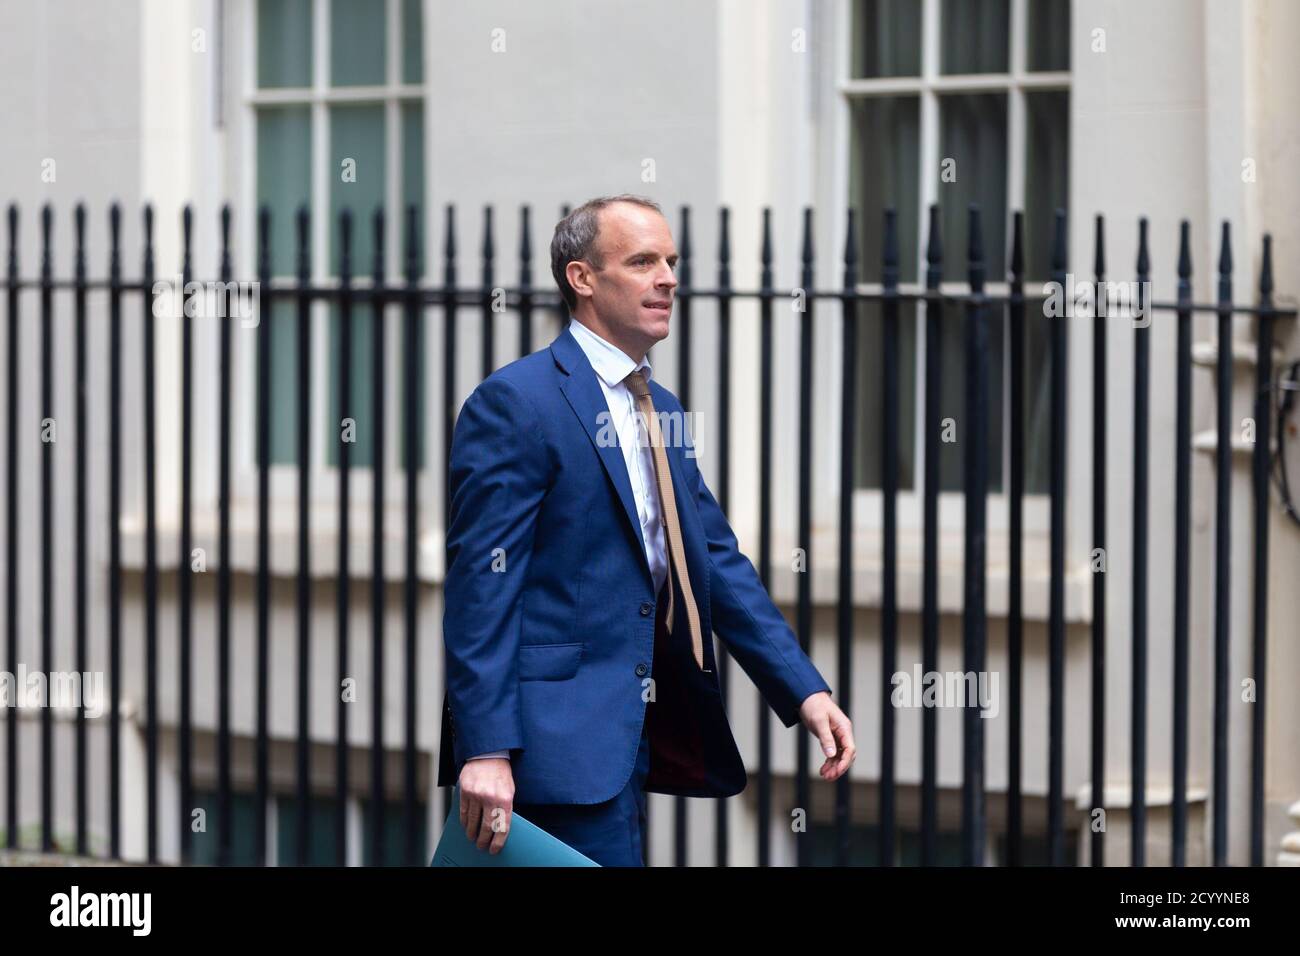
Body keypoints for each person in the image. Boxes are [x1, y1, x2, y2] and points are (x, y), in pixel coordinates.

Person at [436, 194, 854, 866]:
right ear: (582, 278)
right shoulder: (517, 402)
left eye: (672, 261)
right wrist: (483, 750)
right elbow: (482, 589)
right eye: (642, 261)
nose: (668, 278)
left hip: (632, 739)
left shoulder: (658, 406)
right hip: (546, 754)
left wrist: (801, 687)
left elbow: (711, 558)